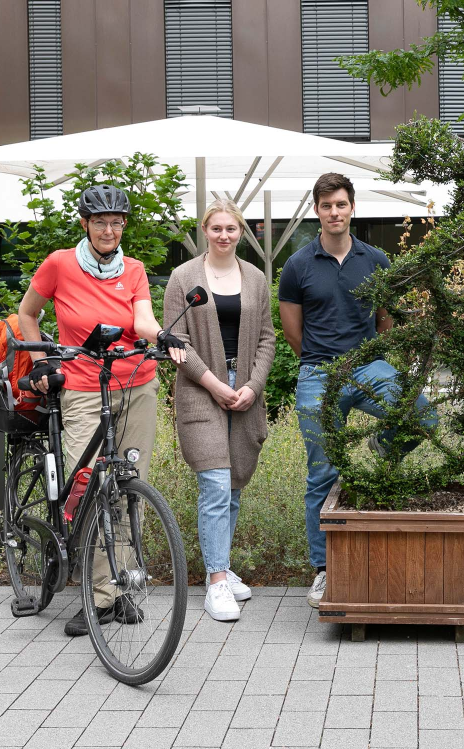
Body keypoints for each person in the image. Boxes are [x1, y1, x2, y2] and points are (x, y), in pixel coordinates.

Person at [17, 184, 186, 637]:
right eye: (100, 222)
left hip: (135, 385)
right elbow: (26, 314)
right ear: (85, 225)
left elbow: (143, 320)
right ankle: (100, 597)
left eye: (116, 222)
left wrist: (161, 338)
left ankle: (123, 585)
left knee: (130, 485)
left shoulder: (133, 269)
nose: (109, 229)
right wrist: (42, 363)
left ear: (123, 225)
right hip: (83, 386)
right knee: (89, 482)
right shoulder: (59, 264)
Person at [278, 173, 438, 607]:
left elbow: (385, 319)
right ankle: (324, 569)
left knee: (423, 416)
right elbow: (292, 329)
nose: (334, 212)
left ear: (353, 208)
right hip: (318, 373)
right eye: (327, 205)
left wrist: (374, 359)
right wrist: (320, 362)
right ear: (317, 210)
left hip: (370, 367)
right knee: (323, 473)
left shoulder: (376, 260)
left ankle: (379, 449)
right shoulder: (298, 265)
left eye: (342, 204)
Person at [165, 199, 275, 622]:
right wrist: (213, 383)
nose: (224, 235)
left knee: (231, 487)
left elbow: (266, 338)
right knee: (213, 483)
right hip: (200, 389)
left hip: (244, 390)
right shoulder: (183, 277)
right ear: (205, 231)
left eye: (232, 229)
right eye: (217, 229)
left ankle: (224, 567)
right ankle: (215, 583)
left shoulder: (256, 278)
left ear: (241, 232)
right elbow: (176, 339)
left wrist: (252, 385)